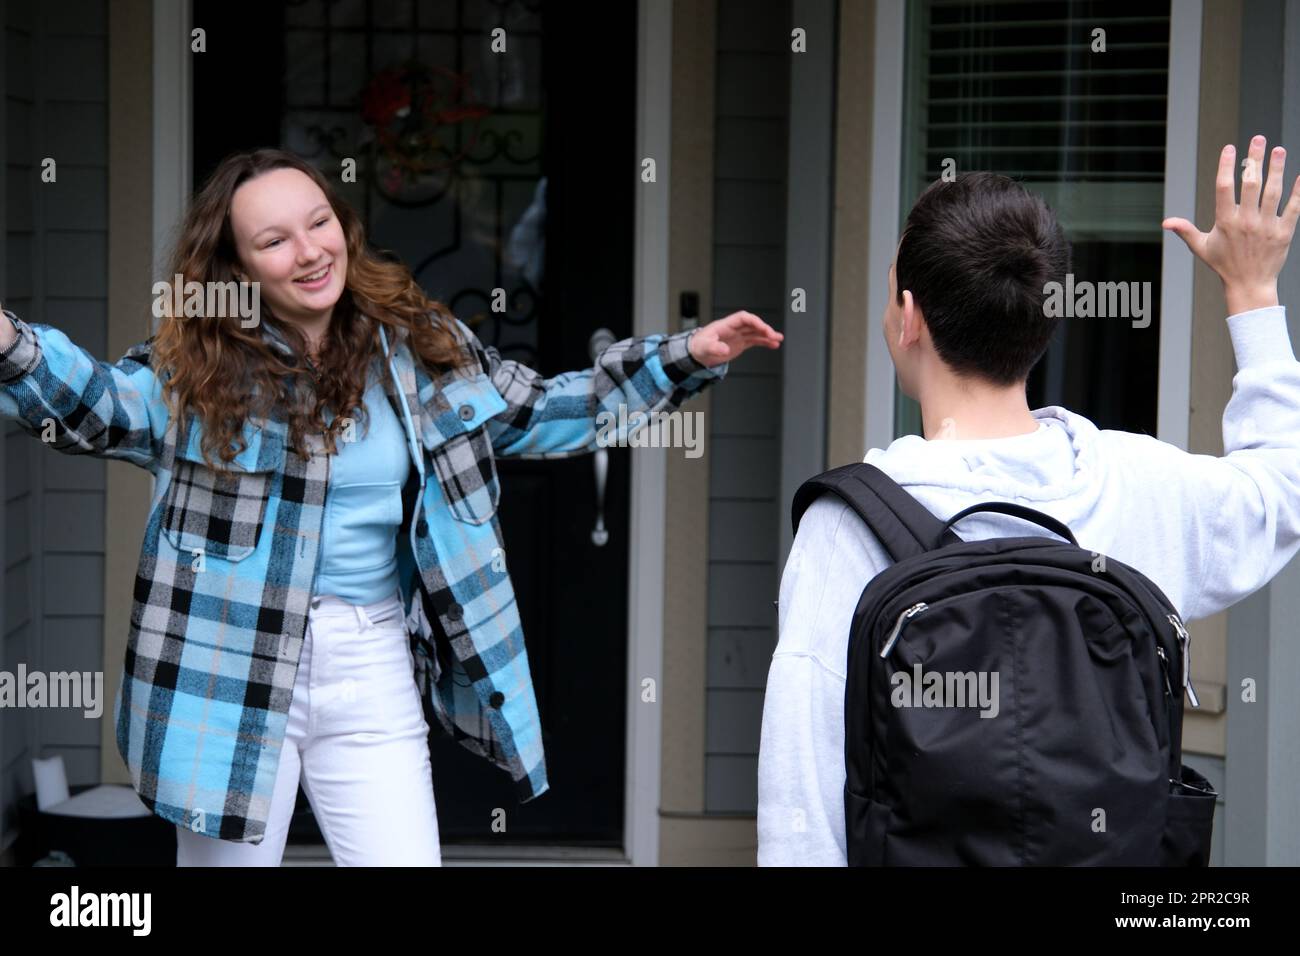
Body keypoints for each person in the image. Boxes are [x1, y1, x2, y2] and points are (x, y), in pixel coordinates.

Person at [0, 147, 783, 866]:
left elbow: (541, 412)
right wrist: (9, 342)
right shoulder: (194, 373)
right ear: (232, 266)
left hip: (369, 657)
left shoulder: (416, 346)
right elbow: (98, 403)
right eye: (274, 241)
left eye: (319, 223)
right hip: (224, 670)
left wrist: (684, 357)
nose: (310, 251)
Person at [757, 135, 1300, 865]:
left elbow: (803, 802)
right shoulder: (1138, 482)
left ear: (908, 317)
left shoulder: (848, 523)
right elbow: (1284, 492)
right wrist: (1254, 293)